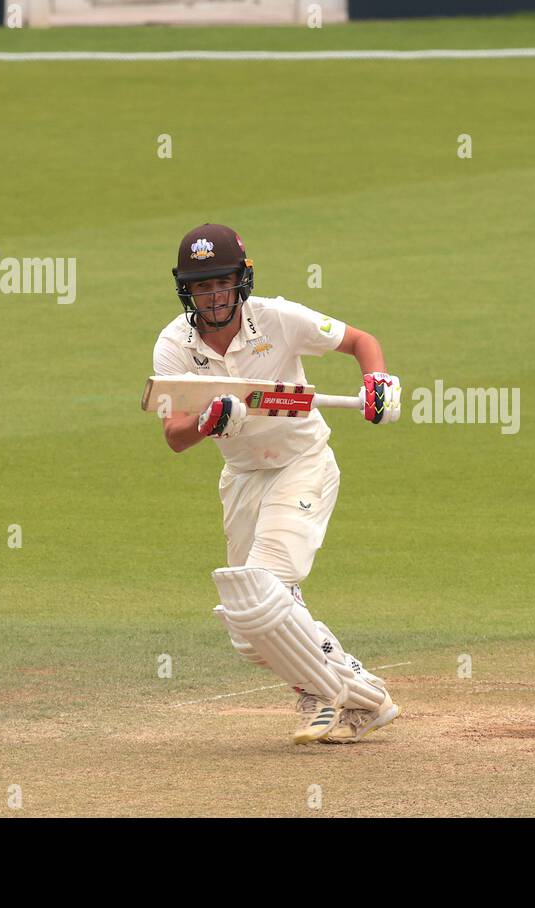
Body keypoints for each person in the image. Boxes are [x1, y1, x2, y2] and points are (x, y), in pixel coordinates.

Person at [152, 223, 401, 744]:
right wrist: (207, 423)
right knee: (248, 623)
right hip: (243, 476)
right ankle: (362, 696)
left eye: (222, 283)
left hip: (301, 462)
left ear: (241, 281)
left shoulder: (279, 317)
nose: (213, 297)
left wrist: (377, 381)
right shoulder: (174, 345)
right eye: (201, 287)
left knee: (265, 587)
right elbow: (174, 436)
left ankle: (320, 696)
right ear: (186, 290)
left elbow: (360, 341)